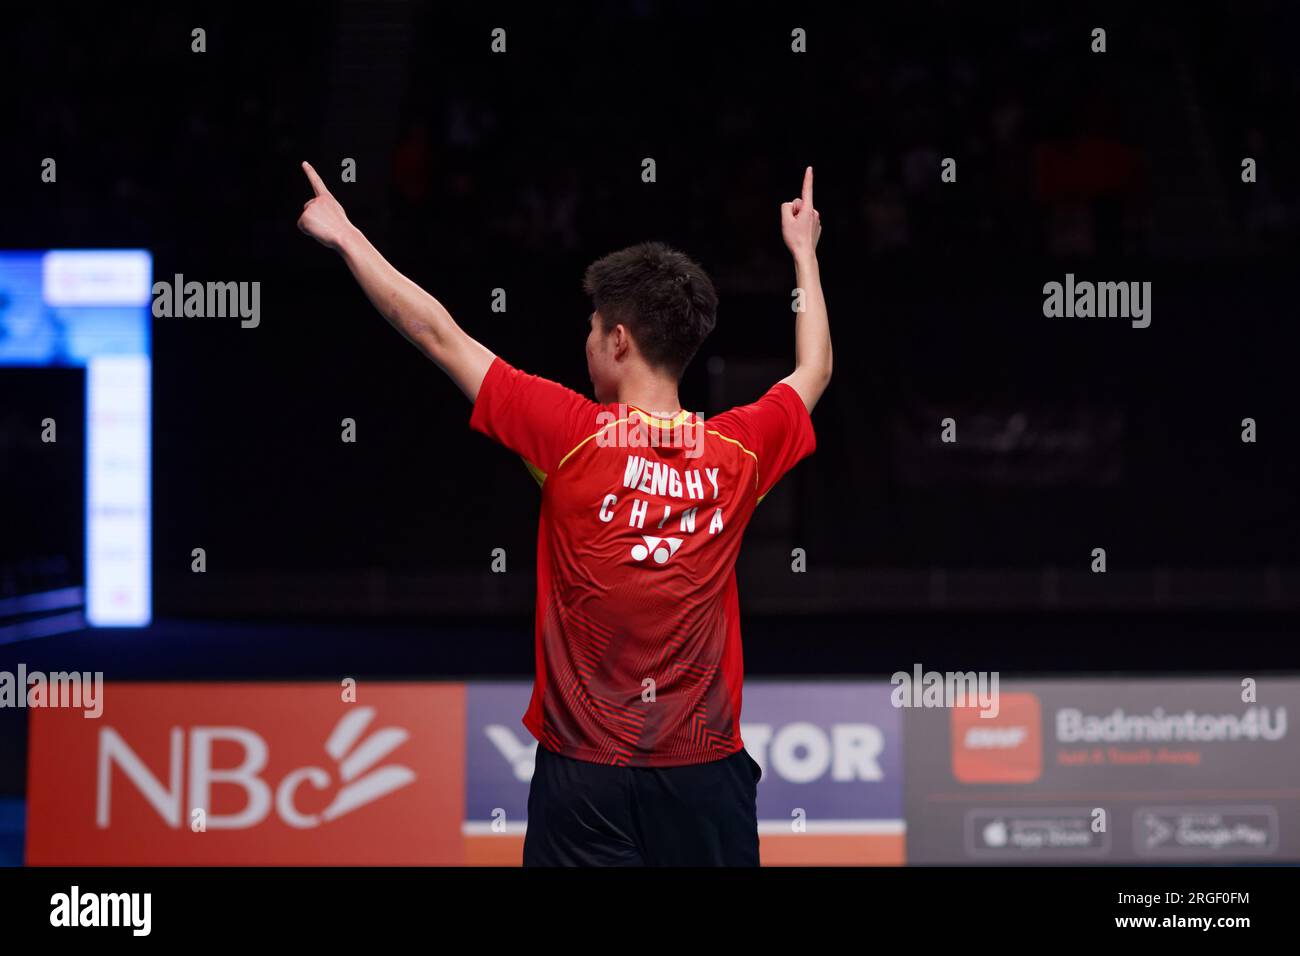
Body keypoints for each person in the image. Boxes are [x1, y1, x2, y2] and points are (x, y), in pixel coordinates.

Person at [298, 161, 831, 865]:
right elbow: (813, 370)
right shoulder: (738, 450)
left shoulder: (569, 434)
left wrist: (348, 237)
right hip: (705, 777)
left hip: (585, 781)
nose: (586, 342)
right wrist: (804, 255)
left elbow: (437, 334)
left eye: (591, 327)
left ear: (618, 340)